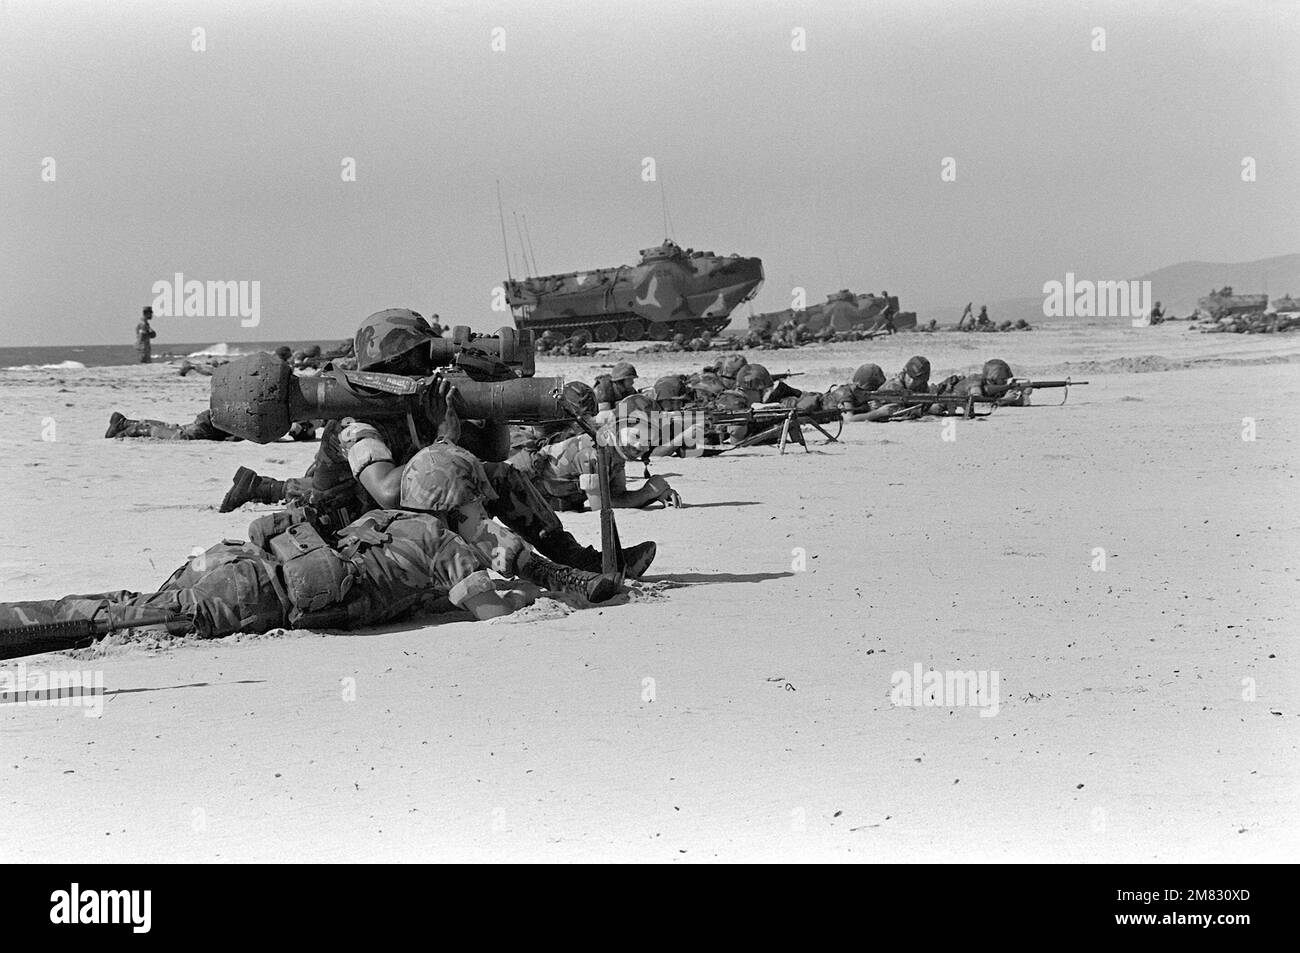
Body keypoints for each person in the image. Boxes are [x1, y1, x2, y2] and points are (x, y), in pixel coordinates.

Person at [219, 309, 655, 578]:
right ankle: (540, 573)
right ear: (388, 365)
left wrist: (487, 409)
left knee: (501, 476)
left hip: (400, 521)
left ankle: (578, 559)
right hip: (349, 535)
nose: (429, 364)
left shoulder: (420, 403)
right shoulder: (354, 420)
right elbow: (389, 489)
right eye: (417, 357)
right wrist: (445, 435)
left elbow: (488, 461)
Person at [863, 356, 932, 422]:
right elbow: (897, 412)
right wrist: (920, 411)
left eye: (918, 380)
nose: (913, 382)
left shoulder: (922, 386)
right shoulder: (892, 387)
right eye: (911, 377)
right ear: (905, 373)